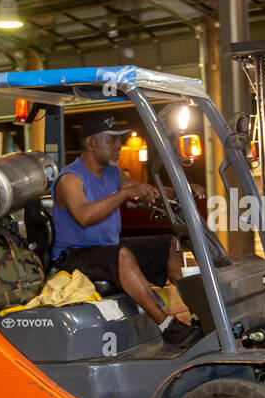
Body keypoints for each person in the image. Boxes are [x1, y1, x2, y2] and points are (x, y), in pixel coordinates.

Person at [50, 111, 202, 346]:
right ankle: (167, 326)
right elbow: (84, 216)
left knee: (168, 244)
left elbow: (142, 190)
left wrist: (182, 190)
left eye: (119, 139)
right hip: (73, 256)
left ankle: (200, 314)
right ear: (91, 143)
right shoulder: (70, 179)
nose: (119, 145)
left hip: (105, 250)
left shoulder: (112, 173)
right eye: (112, 140)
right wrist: (123, 194)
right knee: (122, 254)